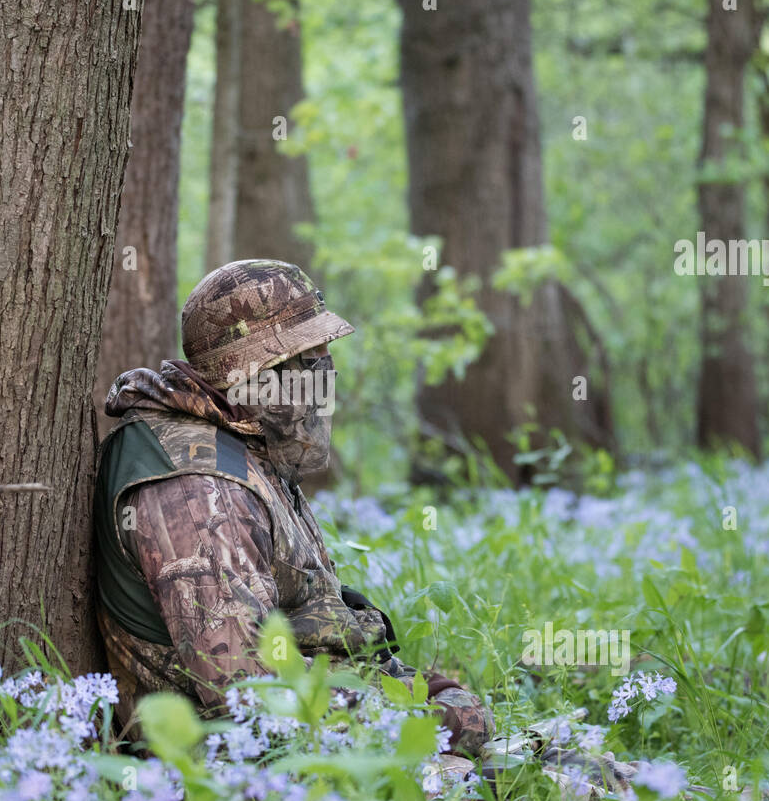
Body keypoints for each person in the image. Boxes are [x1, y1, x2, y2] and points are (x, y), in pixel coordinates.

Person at [93, 259, 496, 760]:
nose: (325, 378)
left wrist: (426, 698)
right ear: (256, 372)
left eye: (325, 358)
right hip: (237, 773)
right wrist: (412, 719)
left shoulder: (248, 442)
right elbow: (250, 698)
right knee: (540, 790)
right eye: (309, 361)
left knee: (488, 730)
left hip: (325, 724)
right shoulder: (197, 489)